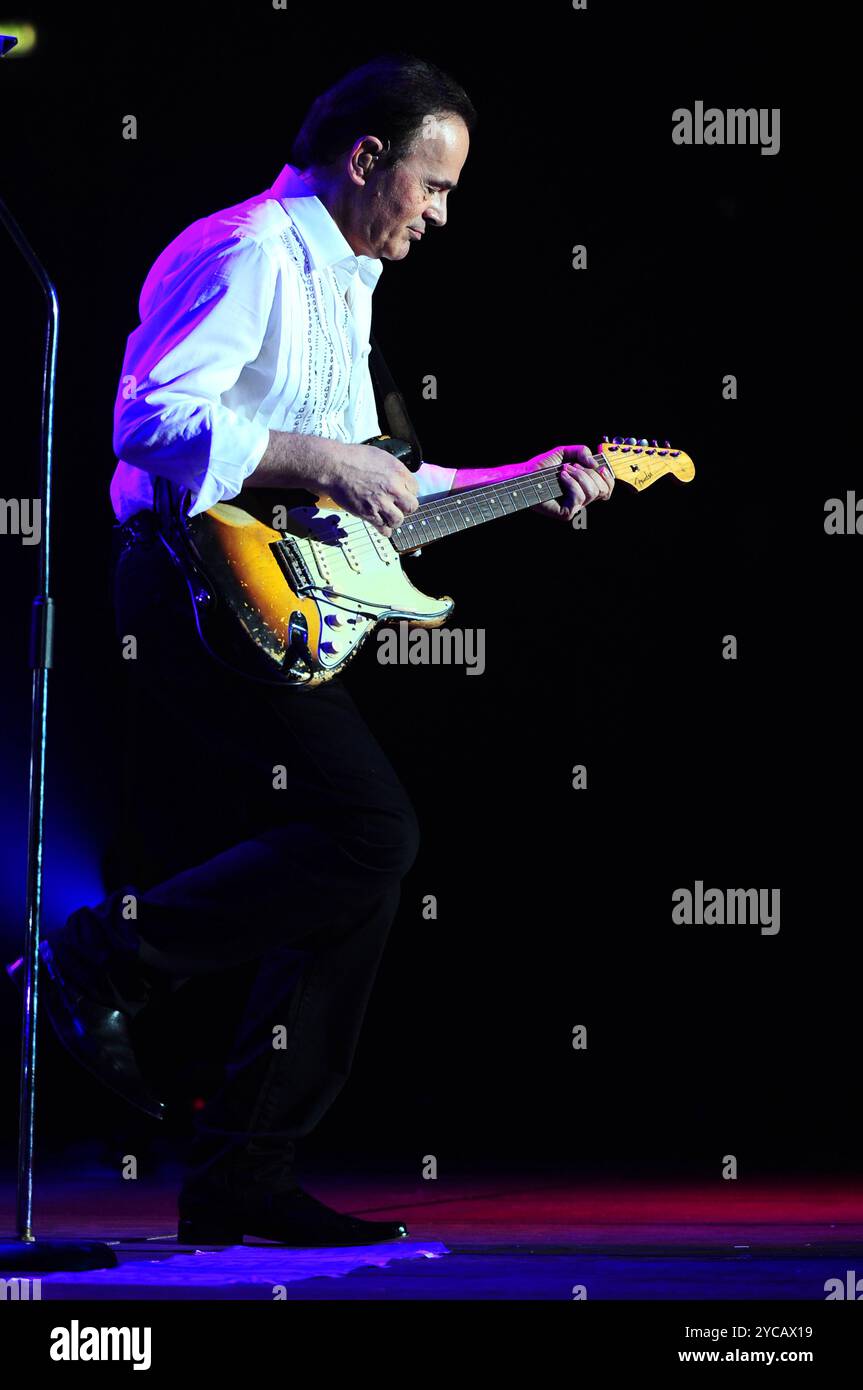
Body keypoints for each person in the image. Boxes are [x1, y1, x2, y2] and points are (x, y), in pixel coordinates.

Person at [22, 53, 613, 1247]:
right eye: (431, 187)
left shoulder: (344, 279)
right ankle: (98, 959)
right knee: (369, 833)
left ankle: (241, 1172)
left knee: (358, 863)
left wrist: (524, 480)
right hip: (187, 581)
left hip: (261, 587)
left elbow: (372, 483)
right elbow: (151, 418)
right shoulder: (247, 248)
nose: (438, 214)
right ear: (365, 160)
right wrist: (323, 458)